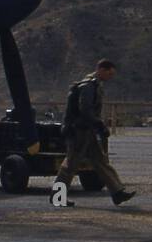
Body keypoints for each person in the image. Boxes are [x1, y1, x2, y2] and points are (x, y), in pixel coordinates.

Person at [53, 59, 135, 205]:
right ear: (102, 70)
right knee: (70, 165)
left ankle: (117, 192)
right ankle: (58, 196)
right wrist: (100, 125)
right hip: (79, 131)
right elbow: (86, 110)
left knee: (100, 162)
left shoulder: (93, 85)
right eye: (109, 73)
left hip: (87, 131)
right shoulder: (88, 87)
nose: (110, 77)